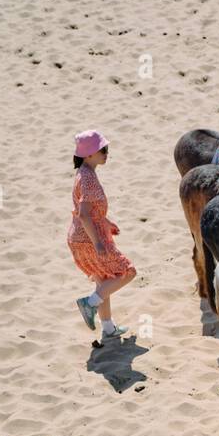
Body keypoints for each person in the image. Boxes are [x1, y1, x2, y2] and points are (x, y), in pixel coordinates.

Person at [68, 131, 136, 340]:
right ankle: (88, 304)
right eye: (102, 150)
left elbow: (89, 211)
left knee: (104, 281)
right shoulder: (88, 178)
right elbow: (84, 214)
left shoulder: (84, 172)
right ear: (88, 154)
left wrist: (106, 222)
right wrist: (98, 242)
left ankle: (108, 329)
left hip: (78, 237)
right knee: (128, 271)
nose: (107, 153)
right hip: (89, 238)